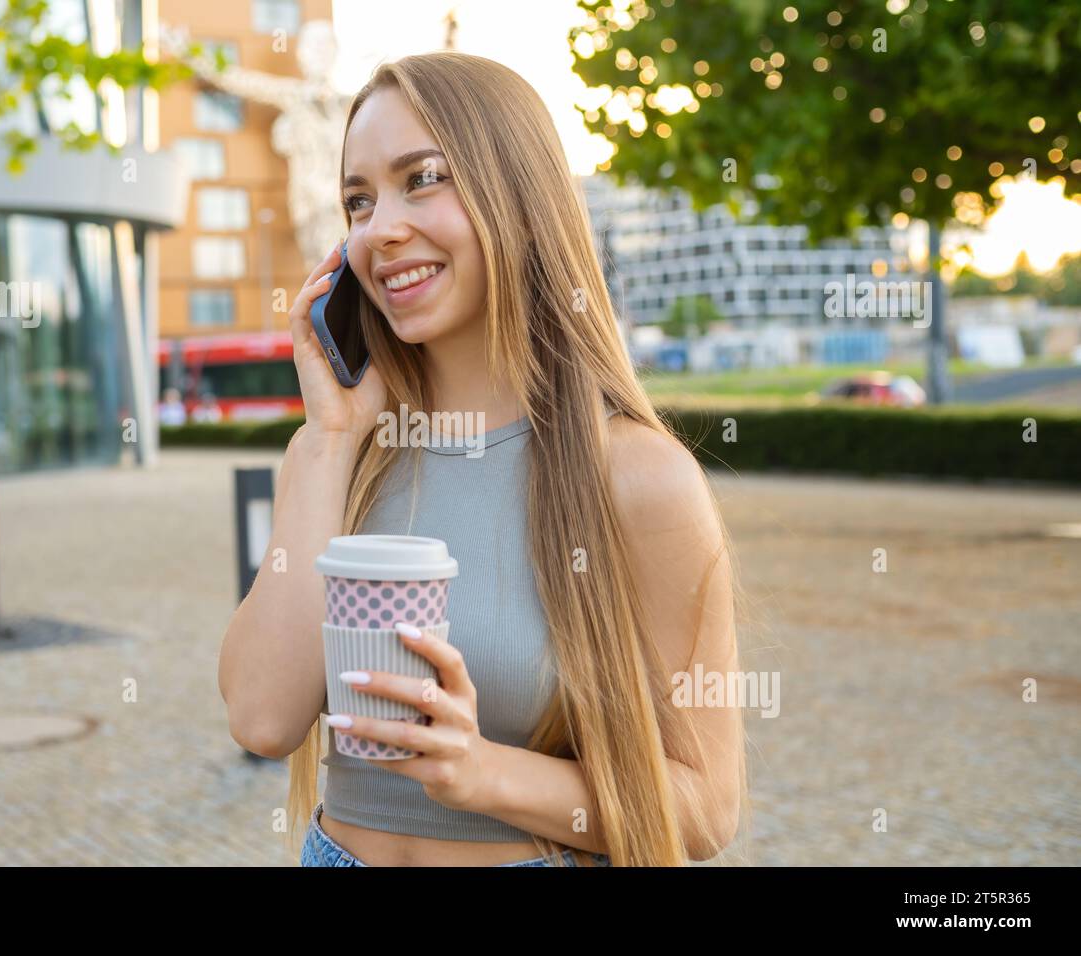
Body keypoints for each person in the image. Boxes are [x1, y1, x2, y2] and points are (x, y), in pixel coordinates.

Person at [218, 52, 747, 867]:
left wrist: (481, 772)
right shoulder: (337, 456)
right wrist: (327, 438)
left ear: (522, 201)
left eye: (421, 178)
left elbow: (704, 811)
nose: (379, 228)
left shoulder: (638, 477)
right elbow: (260, 718)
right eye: (358, 200)